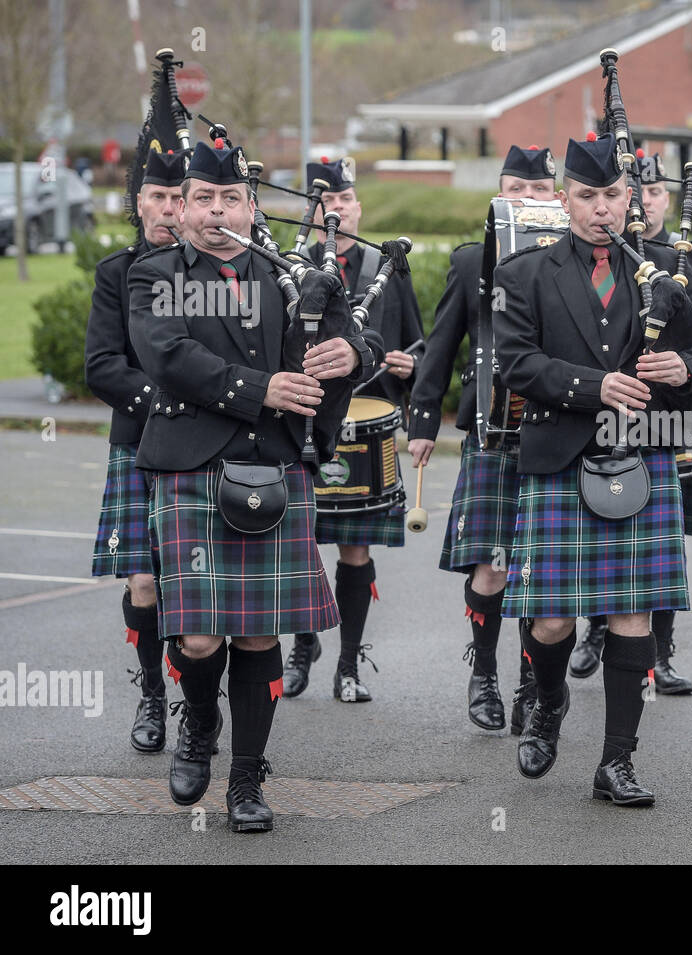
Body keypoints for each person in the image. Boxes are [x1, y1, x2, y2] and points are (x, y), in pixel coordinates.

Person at [127, 140, 377, 831]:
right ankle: (200, 724)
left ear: (251, 204)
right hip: (191, 467)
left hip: (274, 470)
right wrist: (259, 387)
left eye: (229, 198)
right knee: (202, 638)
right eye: (202, 199)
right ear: (180, 210)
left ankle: (246, 777)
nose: (216, 211)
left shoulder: (294, 277)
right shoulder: (154, 276)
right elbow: (167, 355)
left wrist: (351, 353)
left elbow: (365, 346)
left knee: (260, 636)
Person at [493, 132, 692, 805]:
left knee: (632, 614)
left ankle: (617, 761)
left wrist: (688, 366)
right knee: (552, 621)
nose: (602, 209)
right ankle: (550, 697)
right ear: (564, 200)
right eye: (587, 196)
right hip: (562, 457)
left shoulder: (666, 266)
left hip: (640, 458)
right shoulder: (524, 272)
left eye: (614, 195)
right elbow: (516, 362)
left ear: (630, 198)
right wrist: (596, 386)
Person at [570, 151, 692, 694]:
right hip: (592, 424)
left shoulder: (689, 260)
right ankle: (598, 626)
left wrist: (689, 366)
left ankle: (659, 654)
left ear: (662, 198)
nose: (645, 200)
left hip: (671, 423)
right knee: (598, 530)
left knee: (662, 544)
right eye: (635, 191)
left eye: (654, 191)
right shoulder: (583, 258)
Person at [408, 144, 557, 733]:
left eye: (539, 190)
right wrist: (422, 422)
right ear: (499, 195)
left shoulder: (569, 261)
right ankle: (486, 674)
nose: (527, 199)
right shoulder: (475, 260)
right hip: (490, 425)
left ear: (557, 199)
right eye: (516, 189)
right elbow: (442, 342)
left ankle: (529, 683)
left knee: (538, 569)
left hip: (554, 426)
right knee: (492, 567)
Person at [282, 157, 424, 704]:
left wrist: (414, 363)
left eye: (343, 201)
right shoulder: (291, 267)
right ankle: (302, 649)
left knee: (356, 549)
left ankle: (348, 664)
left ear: (357, 208)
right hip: (307, 416)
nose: (334, 210)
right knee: (300, 545)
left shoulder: (384, 265)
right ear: (312, 213)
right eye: (324, 203)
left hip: (369, 420)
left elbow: (416, 340)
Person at [85, 148, 185, 754]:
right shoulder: (115, 274)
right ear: (138, 204)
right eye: (157, 197)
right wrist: (169, 400)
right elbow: (101, 367)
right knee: (144, 581)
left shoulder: (213, 272)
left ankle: (201, 700)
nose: (168, 209)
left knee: (200, 582)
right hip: (140, 441)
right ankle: (153, 694)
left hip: (206, 449)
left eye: (179, 198)